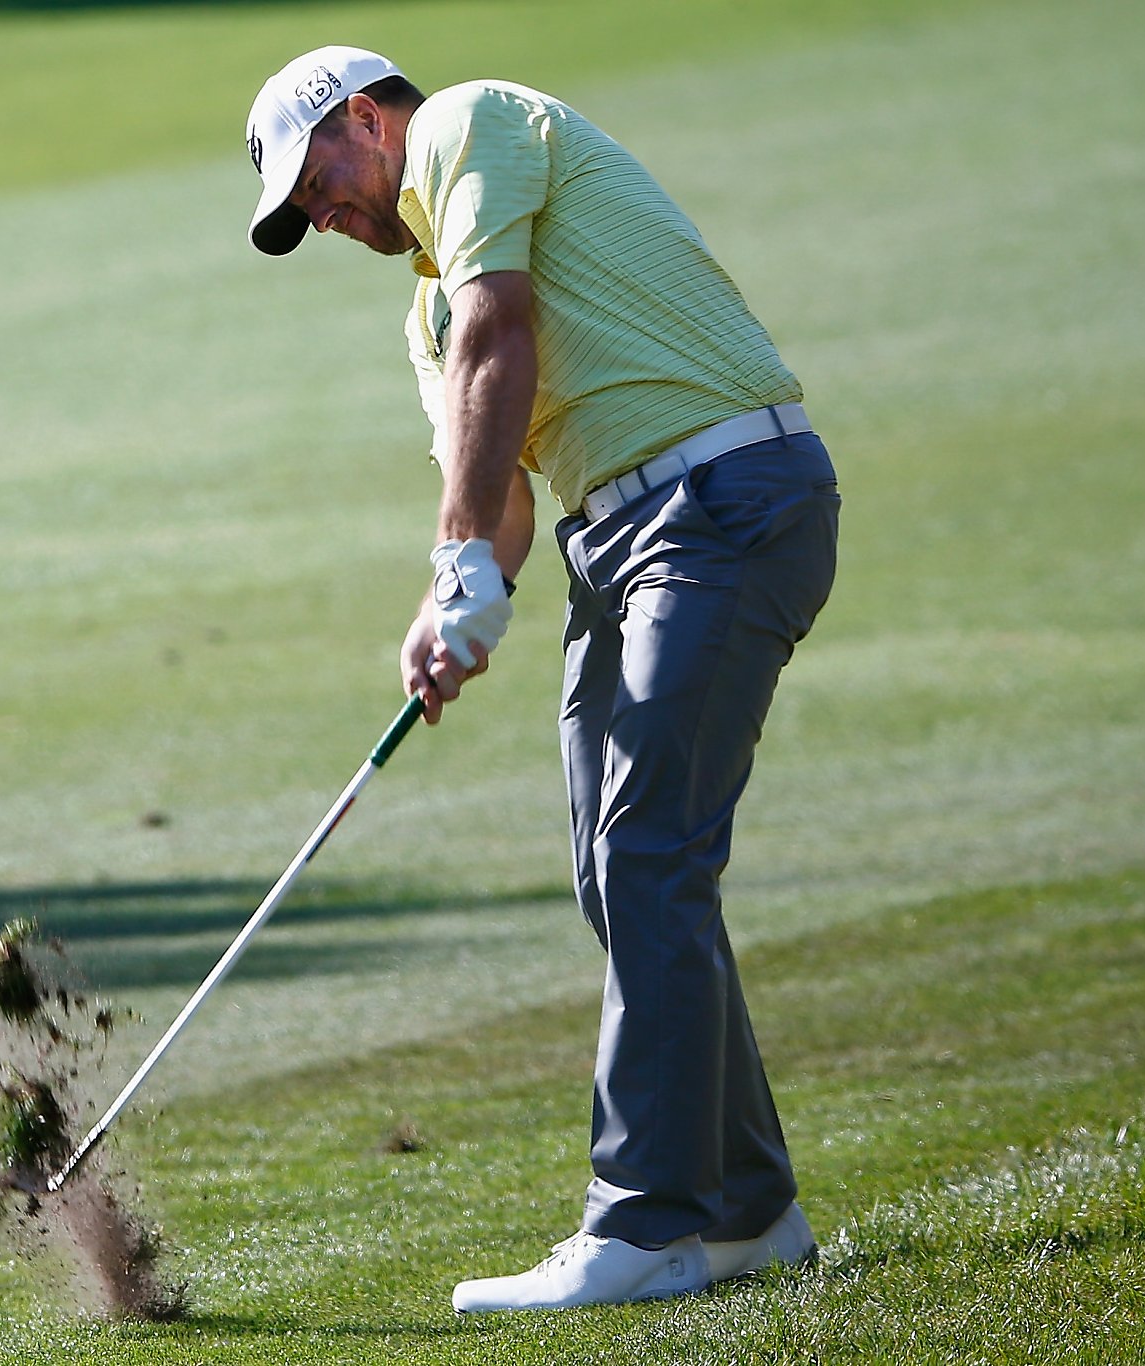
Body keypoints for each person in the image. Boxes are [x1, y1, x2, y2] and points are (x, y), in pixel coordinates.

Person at [244, 46, 839, 1312]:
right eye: (298, 211)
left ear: (364, 118)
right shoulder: (425, 309)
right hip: (614, 540)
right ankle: (747, 1211)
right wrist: (447, 603)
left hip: (723, 495)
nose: (320, 215)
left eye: (315, 181)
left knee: (647, 851)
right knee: (615, 869)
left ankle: (643, 1223)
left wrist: (460, 557)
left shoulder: (468, 124)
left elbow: (500, 330)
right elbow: (501, 491)